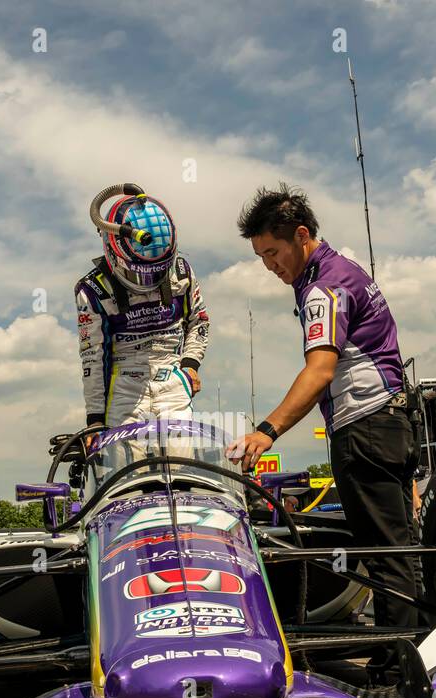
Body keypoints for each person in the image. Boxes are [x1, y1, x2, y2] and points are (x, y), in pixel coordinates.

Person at [228, 183, 418, 629]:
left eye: (273, 252)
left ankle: (398, 667)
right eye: (261, 258)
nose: (269, 266)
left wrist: (266, 431)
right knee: (400, 550)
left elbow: (319, 372)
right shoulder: (344, 269)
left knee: (386, 557)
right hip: (390, 422)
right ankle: (414, 654)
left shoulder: (323, 288)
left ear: (301, 235)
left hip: (365, 428)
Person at [75, 187, 210, 430]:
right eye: (138, 274)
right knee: (127, 461)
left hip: (172, 376)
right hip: (124, 386)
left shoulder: (181, 272)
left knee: (182, 456)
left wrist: (190, 364)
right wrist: (95, 419)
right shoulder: (93, 290)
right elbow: (93, 357)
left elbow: (199, 321)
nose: (148, 283)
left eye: (158, 271)